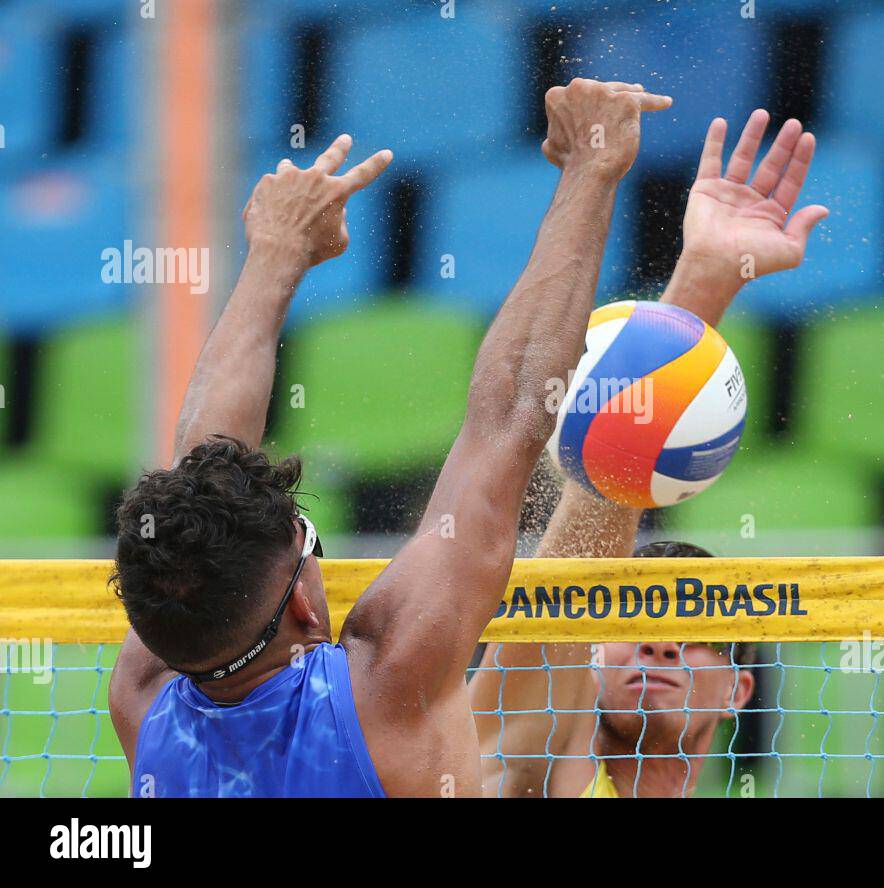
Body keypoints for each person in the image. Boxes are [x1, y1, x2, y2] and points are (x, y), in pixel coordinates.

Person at [106, 79, 671, 797]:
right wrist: (593, 169)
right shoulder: (385, 678)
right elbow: (516, 407)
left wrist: (278, 255)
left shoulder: (145, 700)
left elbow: (203, 475)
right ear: (307, 607)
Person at [470, 110, 829, 797]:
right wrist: (705, 278)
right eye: (630, 620)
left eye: (693, 632)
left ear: (739, 690)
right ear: (585, 650)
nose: (660, 644)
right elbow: (580, 574)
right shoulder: (527, 772)